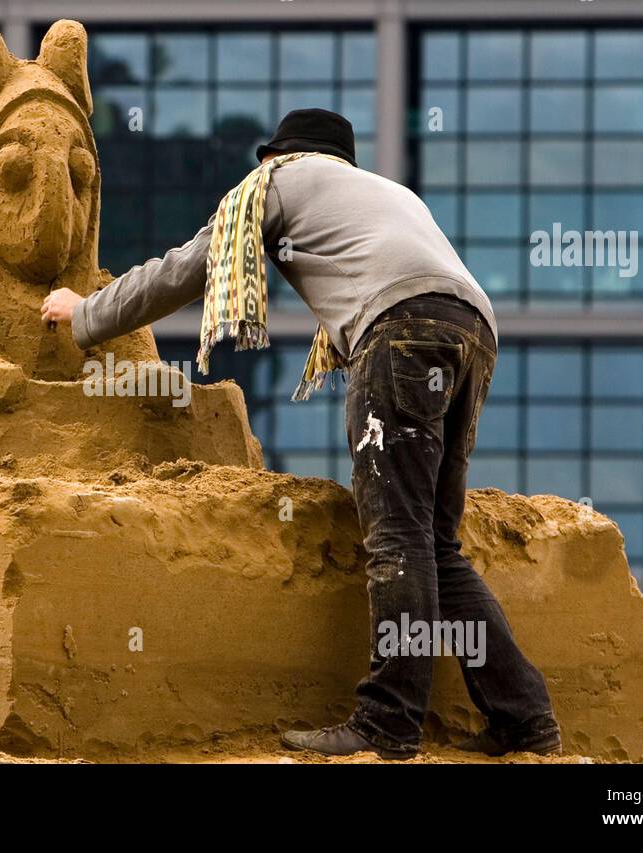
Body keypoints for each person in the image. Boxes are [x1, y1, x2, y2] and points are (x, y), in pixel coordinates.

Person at [40, 108, 560, 760]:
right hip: (472, 331)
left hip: (399, 329)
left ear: (277, 155)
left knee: (395, 534)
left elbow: (186, 268)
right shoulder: (385, 194)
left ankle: (388, 720)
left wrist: (86, 310)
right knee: (435, 542)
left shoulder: (276, 182)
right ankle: (526, 720)